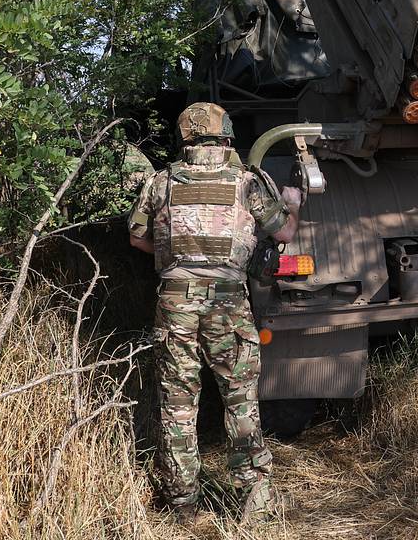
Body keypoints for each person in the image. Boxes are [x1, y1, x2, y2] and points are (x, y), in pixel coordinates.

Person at [128, 102, 302, 522]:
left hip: (175, 302)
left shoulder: (161, 181)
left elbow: (137, 238)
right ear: (226, 135)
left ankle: (182, 502)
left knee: (177, 404)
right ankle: (254, 500)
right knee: (239, 398)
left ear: (185, 137)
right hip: (228, 300)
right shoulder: (246, 181)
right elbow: (285, 232)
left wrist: (171, 259)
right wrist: (292, 202)